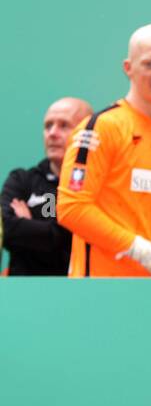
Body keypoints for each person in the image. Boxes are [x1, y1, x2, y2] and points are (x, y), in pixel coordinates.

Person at [57, 24, 151, 278]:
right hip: (102, 294)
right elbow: (71, 207)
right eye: (150, 64)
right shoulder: (101, 127)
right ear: (128, 68)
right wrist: (138, 249)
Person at [2, 98, 91, 275]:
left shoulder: (93, 186)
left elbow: (75, 238)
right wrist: (54, 233)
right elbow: (6, 229)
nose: (52, 133)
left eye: (64, 125)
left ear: (85, 134)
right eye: (48, 126)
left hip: (76, 293)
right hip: (24, 294)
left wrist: (28, 224)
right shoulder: (21, 180)